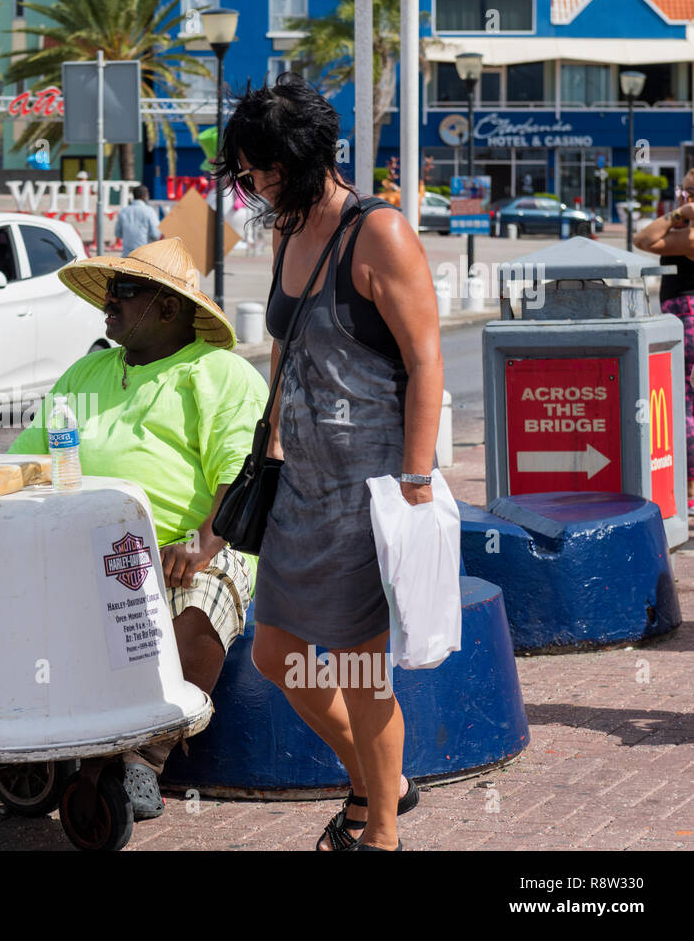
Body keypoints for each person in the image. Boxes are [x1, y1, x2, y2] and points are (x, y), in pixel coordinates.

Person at [217, 73, 444, 851]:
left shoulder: (378, 233)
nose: (250, 185)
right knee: (278, 653)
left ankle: (380, 832)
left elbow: (427, 360)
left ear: (305, 157)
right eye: (244, 171)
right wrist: (271, 437)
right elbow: (284, 342)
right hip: (300, 485)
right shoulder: (286, 228)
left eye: (260, 170)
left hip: (369, 486)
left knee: (357, 671)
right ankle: (378, 780)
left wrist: (415, 482)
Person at [7, 237, 268, 819]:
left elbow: (241, 478)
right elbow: (24, 459)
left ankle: (145, 757)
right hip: (86, 544)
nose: (109, 304)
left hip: (193, 544)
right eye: (109, 292)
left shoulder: (220, 373)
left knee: (198, 599)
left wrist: (196, 546)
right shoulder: (86, 372)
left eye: (125, 292)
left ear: (171, 308)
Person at [634, 166, 694, 513]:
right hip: (684, 313)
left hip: (686, 315)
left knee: (684, 403)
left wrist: (677, 214)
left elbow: (643, 240)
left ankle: (687, 485)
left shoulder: (688, 236)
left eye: (683, 191)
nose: (679, 194)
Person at [113, 185, 163, 257]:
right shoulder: (149, 211)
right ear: (145, 196)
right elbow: (156, 234)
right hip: (144, 255)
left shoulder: (124, 211)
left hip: (127, 255)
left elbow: (118, 233)